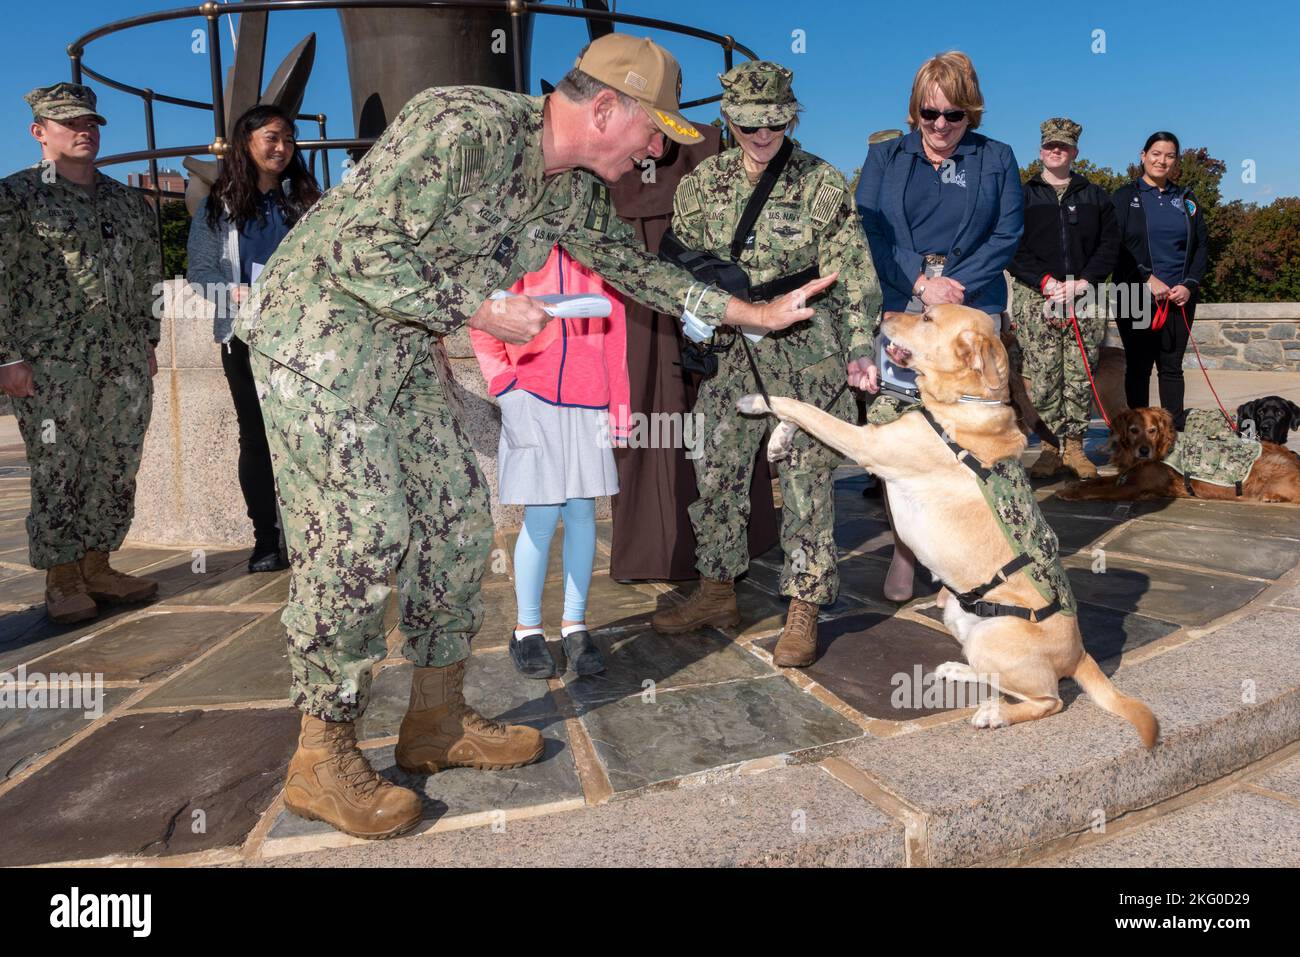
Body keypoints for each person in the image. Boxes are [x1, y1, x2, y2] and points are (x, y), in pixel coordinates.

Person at [238, 33, 835, 840]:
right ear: (603, 108)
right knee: (363, 534)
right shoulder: (462, 125)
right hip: (317, 329)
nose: (658, 148)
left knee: (454, 519)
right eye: (654, 129)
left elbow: (641, 272)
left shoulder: (574, 190)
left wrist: (755, 313)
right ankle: (320, 751)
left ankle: (436, 718)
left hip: (404, 338)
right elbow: (356, 243)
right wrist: (483, 309)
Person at [648, 60, 882, 669]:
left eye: (774, 123)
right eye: (749, 124)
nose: (761, 135)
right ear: (729, 120)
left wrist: (860, 350)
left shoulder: (820, 184)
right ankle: (718, 590)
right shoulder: (702, 185)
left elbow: (855, 277)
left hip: (807, 352)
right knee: (717, 470)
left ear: (790, 117)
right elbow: (680, 266)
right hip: (729, 351)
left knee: (806, 479)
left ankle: (804, 603)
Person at [855, 51, 1023, 601]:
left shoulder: (996, 158)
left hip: (971, 312)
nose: (942, 126)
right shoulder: (884, 159)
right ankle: (905, 551)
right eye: (930, 115)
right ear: (914, 112)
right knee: (899, 430)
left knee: (965, 440)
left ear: (971, 112)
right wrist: (923, 286)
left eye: (955, 115)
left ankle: (965, 554)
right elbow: (872, 233)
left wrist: (955, 285)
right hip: (906, 311)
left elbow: (1007, 234)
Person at [0, 83, 162, 624]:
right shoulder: (16, 197)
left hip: (122, 362)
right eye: (70, 123)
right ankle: (61, 577)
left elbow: (148, 276)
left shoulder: (125, 200)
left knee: (116, 464)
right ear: (39, 131)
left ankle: (99, 564)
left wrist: (147, 342)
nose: (84, 131)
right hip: (51, 366)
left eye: (90, 123)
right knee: (58, 468)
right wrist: (7, 358)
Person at [607, 124, 783, 581]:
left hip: (706, 289)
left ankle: (731, 541)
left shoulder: (707, 145)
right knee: (651, 414)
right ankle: (657, 548)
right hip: (634, 299)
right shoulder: (606, 154)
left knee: (716, 412)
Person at [470, 245, 625, 679]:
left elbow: (616, 334)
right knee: (539, 516)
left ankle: (575, 625)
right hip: (531, 397)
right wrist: (505, 385)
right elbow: (483, 318)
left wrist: (619, 409)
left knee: (582, 513)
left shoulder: (595, 252)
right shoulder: (516, 248)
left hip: (590, 402)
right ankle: (527, 628)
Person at [187, 104, 321, 573]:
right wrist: (232, 291)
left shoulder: (307, 200)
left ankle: (317, 534)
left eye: (287, 138)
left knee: (310, 434)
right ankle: (267, 539)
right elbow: (199, 272)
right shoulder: (218, 204)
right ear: (246, 143)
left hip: (304, 339)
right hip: (244, 338)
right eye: (271, 138)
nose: (281, 147)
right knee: (258, 438)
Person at [1008, 117, 1120, 479]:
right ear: (1041, 150)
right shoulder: (1021, 196)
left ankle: (1075, 447)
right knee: (1042, 376)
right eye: (1050, 145)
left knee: (1078, 375)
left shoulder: (1095, 195)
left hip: (1084, 298)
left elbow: (1109, 245)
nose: (1056, 151)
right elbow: (1011, 246)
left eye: (1064, 146)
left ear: (1075, 151)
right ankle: (1050, 447)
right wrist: (1044, 282)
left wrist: (1083, 281)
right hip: (1037, 297)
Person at [1111, 131, 1209, 416]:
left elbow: (1202, 245)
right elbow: (1114, 245)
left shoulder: (1187, 200)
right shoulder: (1125, 197)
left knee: (1171, 367)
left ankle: (1172, 431)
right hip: (1133, 294)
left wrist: (1189, 284)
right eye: (1156, 153)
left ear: (1176, 161)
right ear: (1143, 156)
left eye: (1169, 155)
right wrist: (1146, 279)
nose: (1161, 161)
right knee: (1139, 366)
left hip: (1179, 297)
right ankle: (1138, 436)